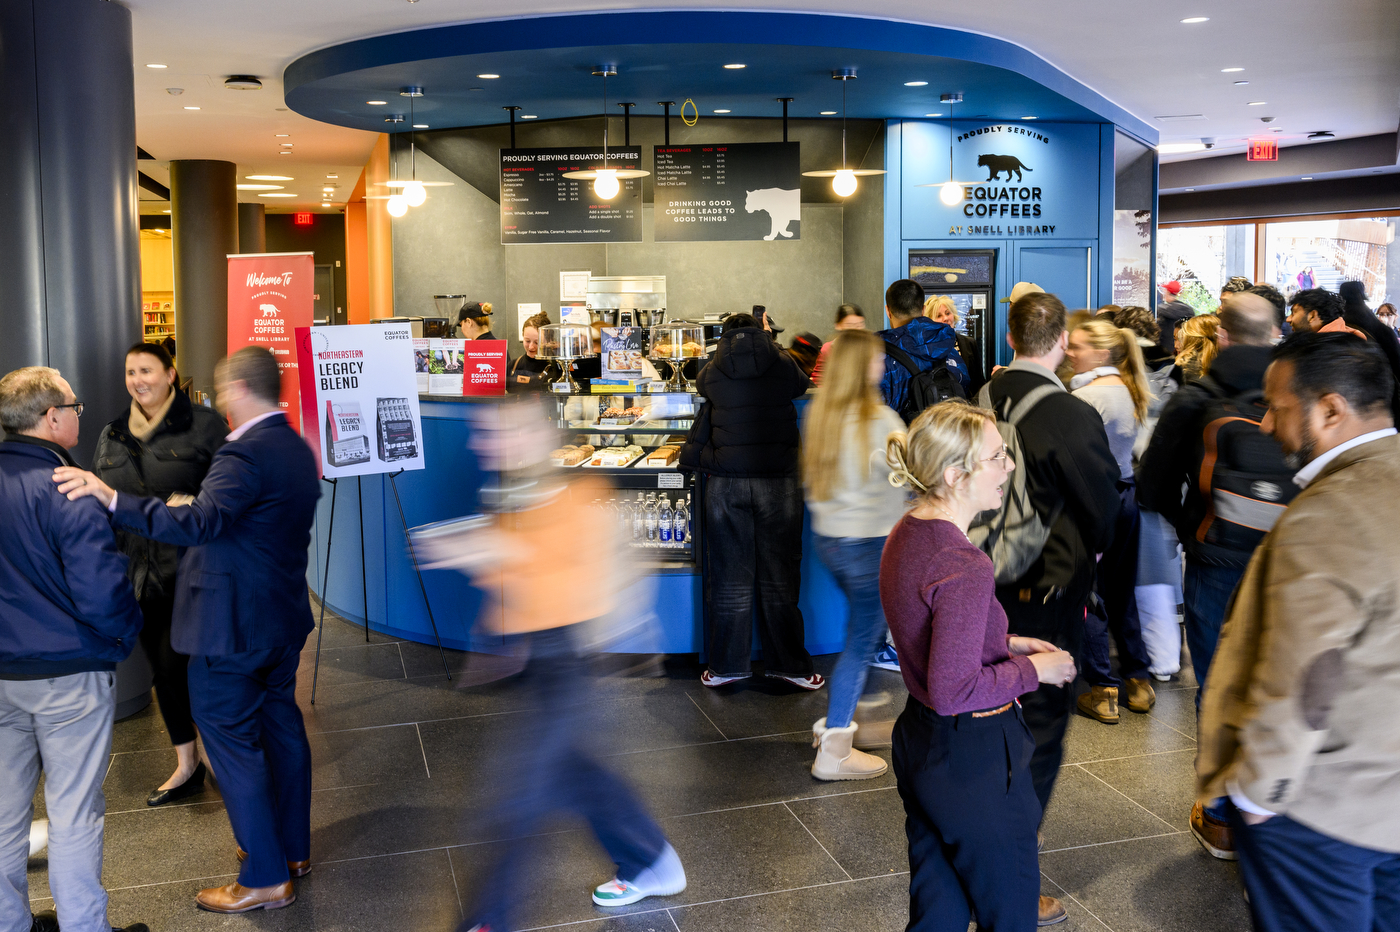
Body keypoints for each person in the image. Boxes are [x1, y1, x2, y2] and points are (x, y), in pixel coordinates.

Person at [55, 347, 320, 914]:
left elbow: (201, 522)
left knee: (229, 738)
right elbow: (248, 520)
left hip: (233, 626)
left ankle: (266, 875)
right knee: (282, 729)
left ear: (242, 390)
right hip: (281, 617)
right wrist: (201, 502)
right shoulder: (294, 447)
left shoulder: (242, 453)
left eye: (224, 391)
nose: (220, 401)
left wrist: (112, 496)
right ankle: (293, 851)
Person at [414, 406, 686, 931]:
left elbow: (577, 583)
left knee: (515, 794)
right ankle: (651, 858)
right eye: (485, 435)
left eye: (502, 432)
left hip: (572, 660)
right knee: (577, 773)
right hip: (540, 660)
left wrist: (496, 549)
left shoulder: (580, 498)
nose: (486, 445)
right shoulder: (513, 495)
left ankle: (487, 920)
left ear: (539, 434)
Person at [1198, 333, 1400, 932]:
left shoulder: (1333, 510)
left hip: (1321, 808)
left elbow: (1304, 673)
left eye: (1277, 407)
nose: (1264, 425)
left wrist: (1260, 794)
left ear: (1330, 410)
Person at [883, 401, 1077, 930]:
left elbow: (931, 632)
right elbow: (954, 687)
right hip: (976, 759)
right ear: (955, 475)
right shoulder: (963, 563)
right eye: (996, 456)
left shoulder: (909, 531)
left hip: (923, 744)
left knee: (937, 908)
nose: (1009, 466)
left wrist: (1005, 642)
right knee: (1010, 911)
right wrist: (1038, 671)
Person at [1136, 293, 1287, 860]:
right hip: (1287, 562)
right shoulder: (1294, 394)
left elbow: (1153, 488)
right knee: (1276, 679)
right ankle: (1271, 805)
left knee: (1219, 683)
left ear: (1221, 337)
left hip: (1215, 561)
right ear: (1274, 334)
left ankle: (1221, 816)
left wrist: (1192, 525)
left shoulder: (1197, 398)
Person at [0, 367, 149, 932]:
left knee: (3, 816)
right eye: (75, 406)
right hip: (69, 677)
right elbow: (103, 592)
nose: (79, 416)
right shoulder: (70, 488)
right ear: (51, 417)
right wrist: (119, 641)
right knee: (74, 814)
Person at [980, 291, 1121, 814]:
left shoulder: (981, 397)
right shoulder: (1070, 413)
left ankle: (980, 816)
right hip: (1048, 577)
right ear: (1062, 341)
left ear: (1011, 338)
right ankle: (1018, 844)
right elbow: (1102, 505)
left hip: (981, 571)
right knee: (1040, 710)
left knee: (988, 694)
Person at [91, 343, 226, 805]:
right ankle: (188, 764)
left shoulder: (206, 426)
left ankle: (222, 757)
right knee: (164, 674)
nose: (137, 380)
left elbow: (230, 496)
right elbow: (102, 506)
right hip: (140, 577)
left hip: (196, 572)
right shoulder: (112, 435)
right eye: (130, 372)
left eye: (146, 370)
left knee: (197, 669)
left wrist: (197, 504)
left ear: (171, 374)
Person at [680, 314, 821, 689]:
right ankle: (790, 666)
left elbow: (700, 386)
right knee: (781, 577)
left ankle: (727, 667)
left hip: (726, 484)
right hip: (779, 482)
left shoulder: (713, 368)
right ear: (764, 333)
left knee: (729, 577)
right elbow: (802, 387)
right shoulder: (782, 361)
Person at [801, 330, 906, 781]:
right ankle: (836, 747)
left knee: (860, 633)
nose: (882, 364)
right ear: (864, 366)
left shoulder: (820, 416)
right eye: (878, 358)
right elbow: (912, 475)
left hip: (832, 542)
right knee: (862, 643)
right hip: (870, 546)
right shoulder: (880, 420)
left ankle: (841, 721)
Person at [1064, 319, 1156, 722]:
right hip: (1128, 497)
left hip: (1096, 502)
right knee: (1123, 591)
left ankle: (1102, 689)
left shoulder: (1085, 397)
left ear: (1101, 353)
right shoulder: (1131, 390)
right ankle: (1138, 680)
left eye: (1078, 346)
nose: (1069, 351)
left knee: (1093, 594)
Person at [1110, 306, 1183, 681]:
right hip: (1163, 483)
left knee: (1129, 573)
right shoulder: (1175, 370)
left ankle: (1151, 656)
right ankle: (1164, 657)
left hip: (1126, 479)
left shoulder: (1121, 376)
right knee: (1155, 573)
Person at [877, 279, 970, 422]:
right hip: (944, 440)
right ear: (923, 309)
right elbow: (964, 386)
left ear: (888, 311)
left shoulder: (879, 358)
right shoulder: (948, 347)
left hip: (902, 442)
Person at [1339, 280, 1400, 417]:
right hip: (1384, 396)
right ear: (1362, 295)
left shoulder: (1338, 327)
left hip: (1348, 398)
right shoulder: (1381, 329)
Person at [925, 294, 986, 394]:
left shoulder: (969, 343)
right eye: (939, 316)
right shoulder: (926, 348)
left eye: (948, 313)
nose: (945, 318)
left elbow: (978, 382)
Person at [810, 303, 865, 384]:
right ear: (838, 325)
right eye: (849, 325)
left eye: (859, 324)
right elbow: (819, 382)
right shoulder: (828, 349)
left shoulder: (870, 348)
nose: (855, 330)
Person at [1287, 288, 1365, 338]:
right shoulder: (1344, 337)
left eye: (1293, 313)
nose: (1288, 319)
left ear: (1312, 316)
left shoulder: (1328, 350)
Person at [508, 311, 551, 392]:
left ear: (548, 340)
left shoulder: (554, 368)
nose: (531, 347)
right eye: (527, 341)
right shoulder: (512, 365)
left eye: (537, 342)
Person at [1173, 314, 1220, 383]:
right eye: (1175, 339)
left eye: (1182, 339)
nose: (1176, 346)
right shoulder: (1227, 369)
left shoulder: (1183, 370)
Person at [1155, 280, 1195, 355]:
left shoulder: (1160, 311)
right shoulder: (1189, 310)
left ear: (1168, 292)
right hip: (1182, 350)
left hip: (1165, 352)